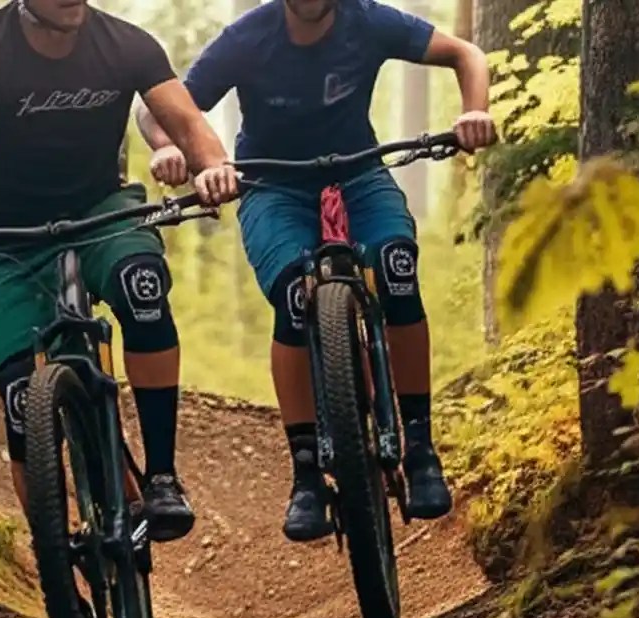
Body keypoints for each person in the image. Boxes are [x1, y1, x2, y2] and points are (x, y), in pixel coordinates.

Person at [0, 0, 239, 543]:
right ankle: (57, 562)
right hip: (8, 237)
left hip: (101, 212)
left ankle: (161, 477)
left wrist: (213, 166)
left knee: (142, 289)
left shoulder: (125, 44)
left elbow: (185, 119)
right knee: (22, 396)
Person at [135, 0, 497, 542]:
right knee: (295, 298)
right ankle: (306, 471)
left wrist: (475, 110)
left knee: (397, 268)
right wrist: (169, 149)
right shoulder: (247, 38)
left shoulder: (369, 21)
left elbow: (465, 53)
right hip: (272, 187)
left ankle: (419, 445)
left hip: (360, 175)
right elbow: (157, 109)